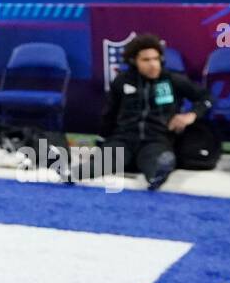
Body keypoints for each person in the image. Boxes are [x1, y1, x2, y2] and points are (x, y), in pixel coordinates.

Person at [87, 34, 214, 189]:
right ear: (134, 61)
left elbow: (207, 98)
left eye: (156, 59)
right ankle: (72, 173)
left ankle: (158, 174)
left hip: (156, 139)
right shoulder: (122, 81)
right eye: (146, 60)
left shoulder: (172, 80)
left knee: (155, 163)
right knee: (101, 164)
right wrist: (102, 140)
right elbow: (109, 114)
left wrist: (191, 115)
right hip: (123, 139)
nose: (153, 64)